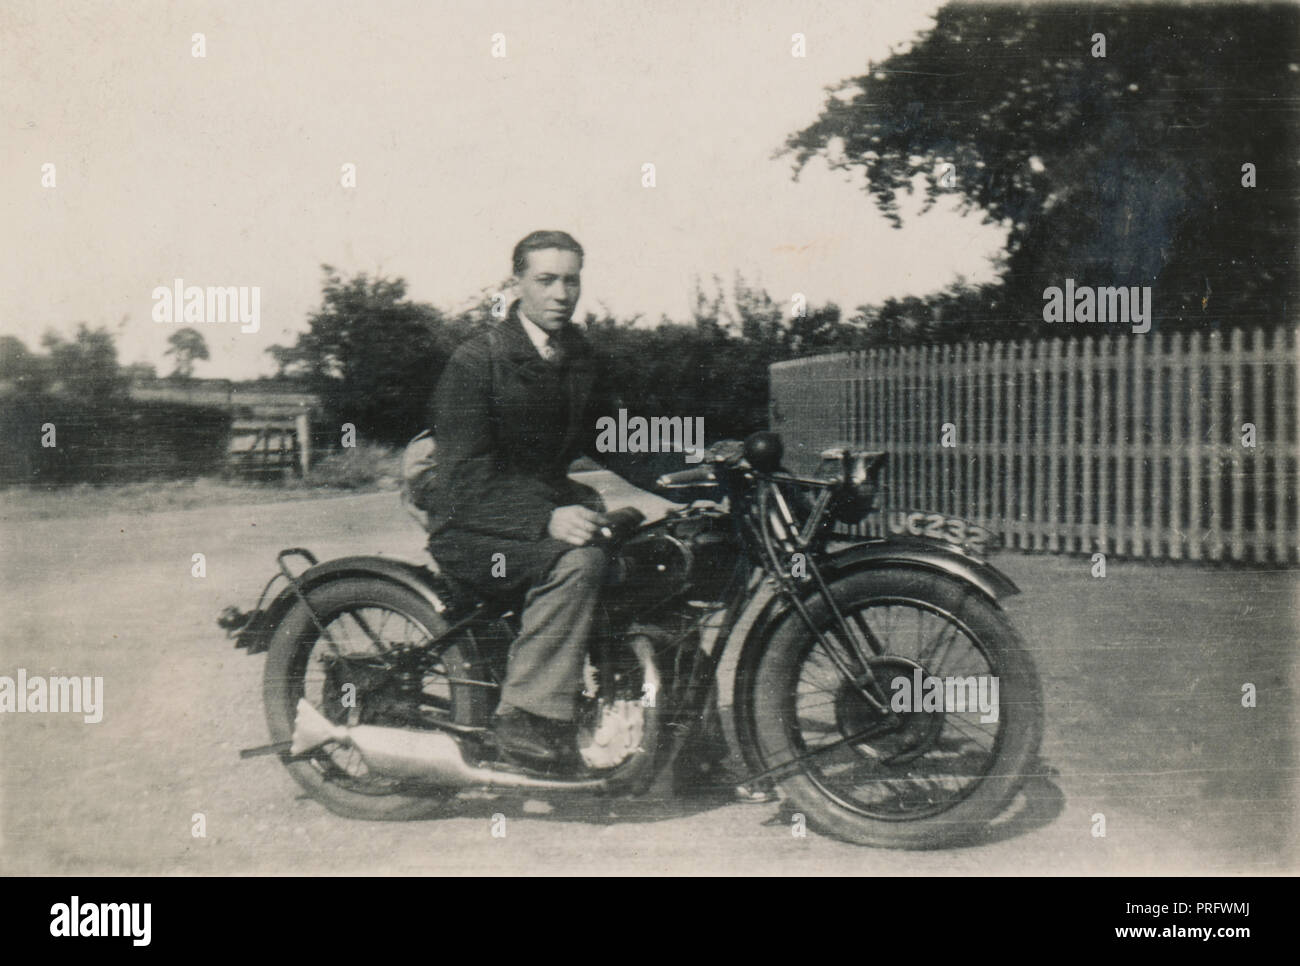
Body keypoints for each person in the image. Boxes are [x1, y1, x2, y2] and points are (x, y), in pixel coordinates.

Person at [425, 230, 654, 766]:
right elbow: (460, 480)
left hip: (538, 518)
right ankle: (525, 716)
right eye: (545, 280)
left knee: (648, 551)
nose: (561, 293)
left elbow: (620, 439)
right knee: (579, 563)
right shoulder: (476, 361)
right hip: (475, 529)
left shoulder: (576, 356)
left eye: (571, 280)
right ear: (516, 284)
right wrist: (546, 517)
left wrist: (707, 464)